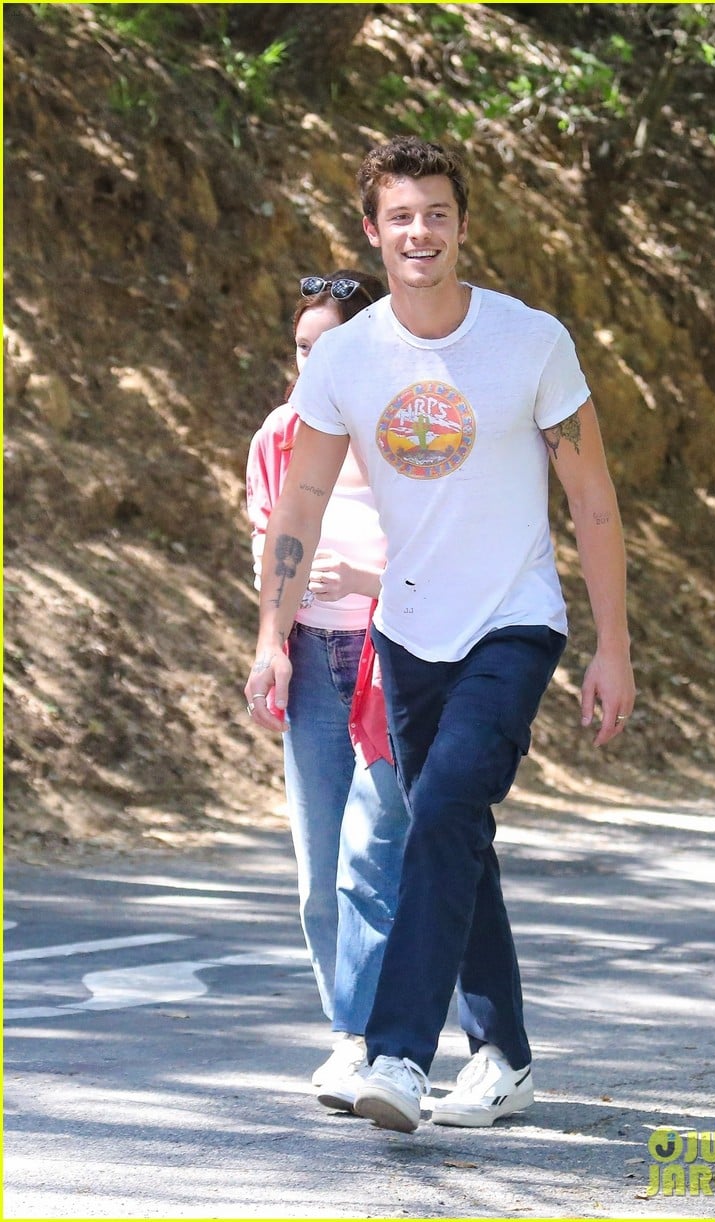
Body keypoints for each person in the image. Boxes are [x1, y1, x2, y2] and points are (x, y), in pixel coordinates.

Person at [245, 136, 636, 1134]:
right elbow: (300, 502)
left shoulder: (530, 341)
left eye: (437, 213)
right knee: (456, 834)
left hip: (512, 620)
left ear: (462, 226)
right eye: (400, 216)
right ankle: (503, 1057)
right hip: (409, 634)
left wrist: (611, 646)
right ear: (373, 232)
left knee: (444, 807)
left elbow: (590, 499)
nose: (420, 231)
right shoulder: (346, 356)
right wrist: (270, 635)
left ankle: (399, 1056)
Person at [245, 269, 408, 1108]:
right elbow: (268, 546)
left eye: (328, 348)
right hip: (312, 659)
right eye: (301, 349)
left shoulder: (402, 432)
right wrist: (270, 643)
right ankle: (352, 1033)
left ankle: (376, 1041)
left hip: (393, 660)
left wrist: (370, 577)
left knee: (370, 861)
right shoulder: (279, 434)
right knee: (318, 869)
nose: (310, 365)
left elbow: (449, 553)